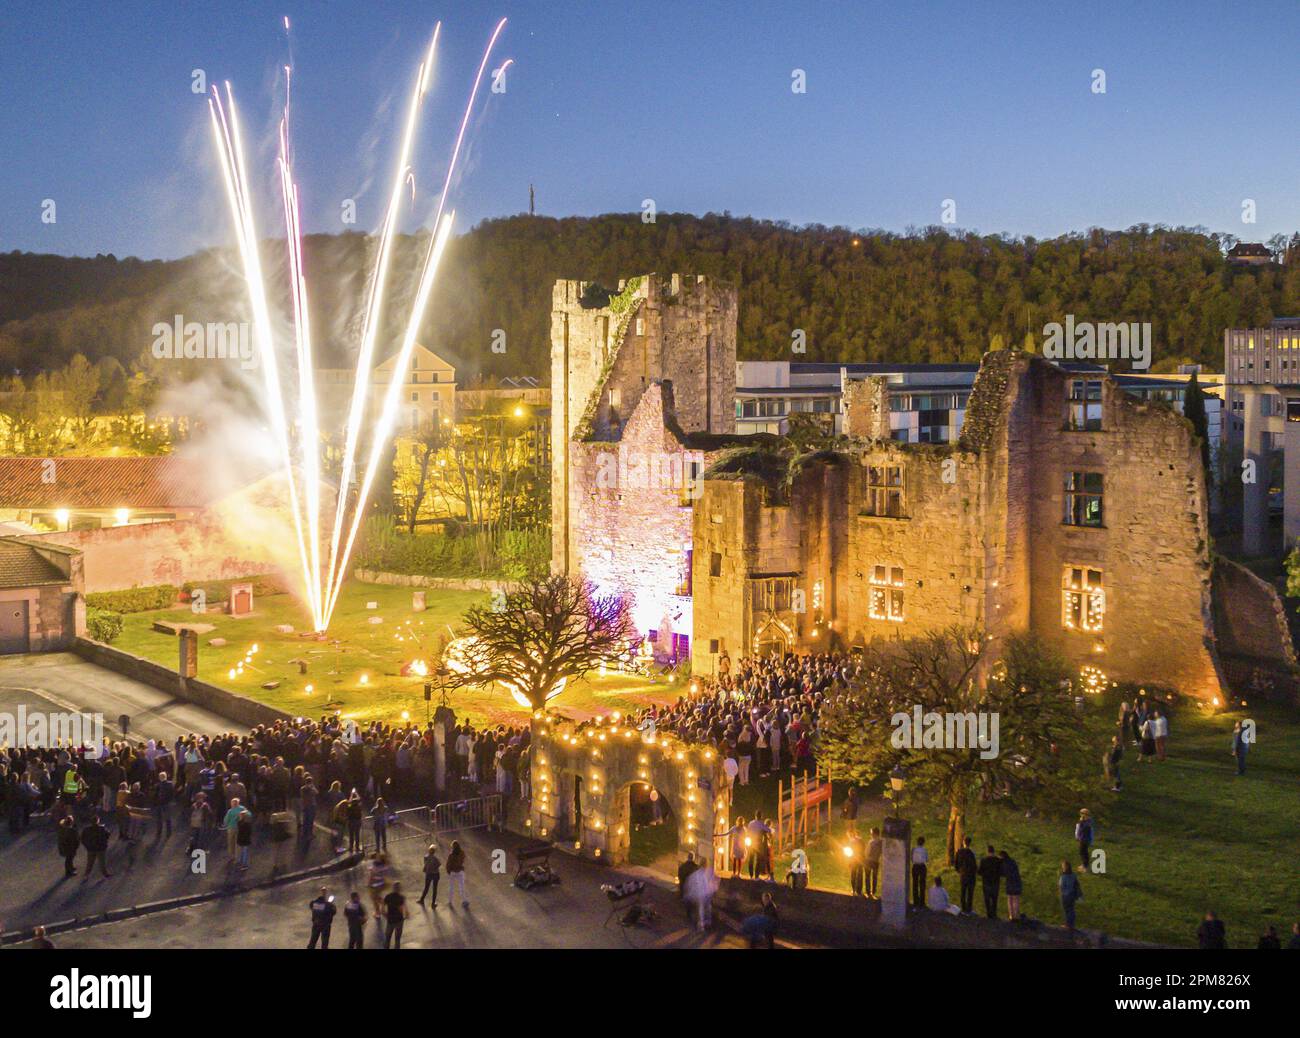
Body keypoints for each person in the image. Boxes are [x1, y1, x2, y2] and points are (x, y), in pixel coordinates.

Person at [80, 814, 111, 880]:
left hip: (91, 848)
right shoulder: (101, 828)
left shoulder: (86, 829)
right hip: (100, 848)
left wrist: (87, 845)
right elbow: (108, 834)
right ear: (98, 821)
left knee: (90, 862)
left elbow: (82, 838)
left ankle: (86, 875)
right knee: (102, 862)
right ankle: (105, 874)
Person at [954, 835, 977, 913]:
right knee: (970, 893)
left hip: (963, 874)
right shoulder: (972, 853)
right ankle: (969, 908)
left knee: (963, 891)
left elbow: (956, 863)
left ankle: (963, 908)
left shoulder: (959, 852)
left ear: (963, 842)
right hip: (971, 875)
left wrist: (959, 871)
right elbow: (974, 865)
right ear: (970, 843)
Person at [383, 881, 409, 948]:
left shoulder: (388, 896)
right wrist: (406, 915)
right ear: (400, 889)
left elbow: (382, 909)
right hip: (399, 921)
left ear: (393, 888)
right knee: (397, 939)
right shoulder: (401, 898)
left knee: (387, 939)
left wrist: (386, 916)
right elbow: (403, 910)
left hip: (390, 921)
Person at [1058, 860, 1083, 931]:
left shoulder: (1063, 876)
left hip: (1065, 896)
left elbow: (1061, 886)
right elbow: (1076, 884)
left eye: (1063, 866)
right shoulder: (1073, 875)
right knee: (1071, 910)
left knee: (1067, 910)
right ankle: (1071, 924)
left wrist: (1061, 894)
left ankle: (1068, 925)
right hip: (1072, 895)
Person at [1000, 849, 1022, 921]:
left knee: (1010, 899)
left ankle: (1011, 915)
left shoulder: (1004, 864)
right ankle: (1016, 915)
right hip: (1017, 881)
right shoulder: (1012, 861)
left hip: (1009, 882)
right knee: (1016, 899)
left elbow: (1003, 873)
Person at [417, 842, 441, 906]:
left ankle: (422, 900)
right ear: (434, 851)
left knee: (426, 887)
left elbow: (425, 864)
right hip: (435, 874)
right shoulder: (435, 858)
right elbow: (439, 864)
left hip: (428, 874)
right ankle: (433, 903)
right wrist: (434, 868)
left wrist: (427, 869)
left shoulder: (426, 857)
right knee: (434, 889)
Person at [677, 852, 699, 920]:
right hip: (692, 889)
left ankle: (688, 914)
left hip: (684, 888)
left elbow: (679, 877)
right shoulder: (696, 868)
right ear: (693, 858)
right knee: (692, 903)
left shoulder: (682, 867)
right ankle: (691, 916)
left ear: (688, 857)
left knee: (687, 903)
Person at [446, 839, 468, 907]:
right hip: (460, 871)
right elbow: (463, 859)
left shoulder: (451, 855)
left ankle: (450, 901)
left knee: (451, 887)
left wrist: (448, 871)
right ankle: (464, 901)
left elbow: (448, 864)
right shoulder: (462, 853)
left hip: (452, 872)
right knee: (462, 887)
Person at [368, 852, 390, 917]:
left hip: (374, 884)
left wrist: (369, 883)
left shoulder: (374, 866)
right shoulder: (385, 866)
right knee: (377, 896)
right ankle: (382, 905)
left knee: (374, 898)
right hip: (382, 883)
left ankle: (378, 912)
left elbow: (371, 876)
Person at [846, 828, 865, 897]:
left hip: (853, 860)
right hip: (860, 860)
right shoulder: (861, 841)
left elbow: (849, 852)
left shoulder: (851, 841)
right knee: (860, 874)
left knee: (853, 874)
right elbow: (863, 850)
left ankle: (853, 889)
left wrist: (849, 860)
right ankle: (859, 891)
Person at [911, 835, 928, 909]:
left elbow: (911, 858)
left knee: (915, 884)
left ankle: (915, 901)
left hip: (915, 866)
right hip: (922, 866)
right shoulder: (924, 850)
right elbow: (927, 859)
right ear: (923, 843)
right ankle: (922, 901)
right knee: (922, 884)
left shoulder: (913, 849)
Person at [865, 827, 882, 899]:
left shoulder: (871, 842)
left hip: (869, 861)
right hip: (876, 861)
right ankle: (873, 891)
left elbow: (867, 852)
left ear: (874, 833)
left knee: (867, 877)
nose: (871, 834)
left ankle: (868, 892)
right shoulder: (881, 842)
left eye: (871, 833)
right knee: (874, 877)